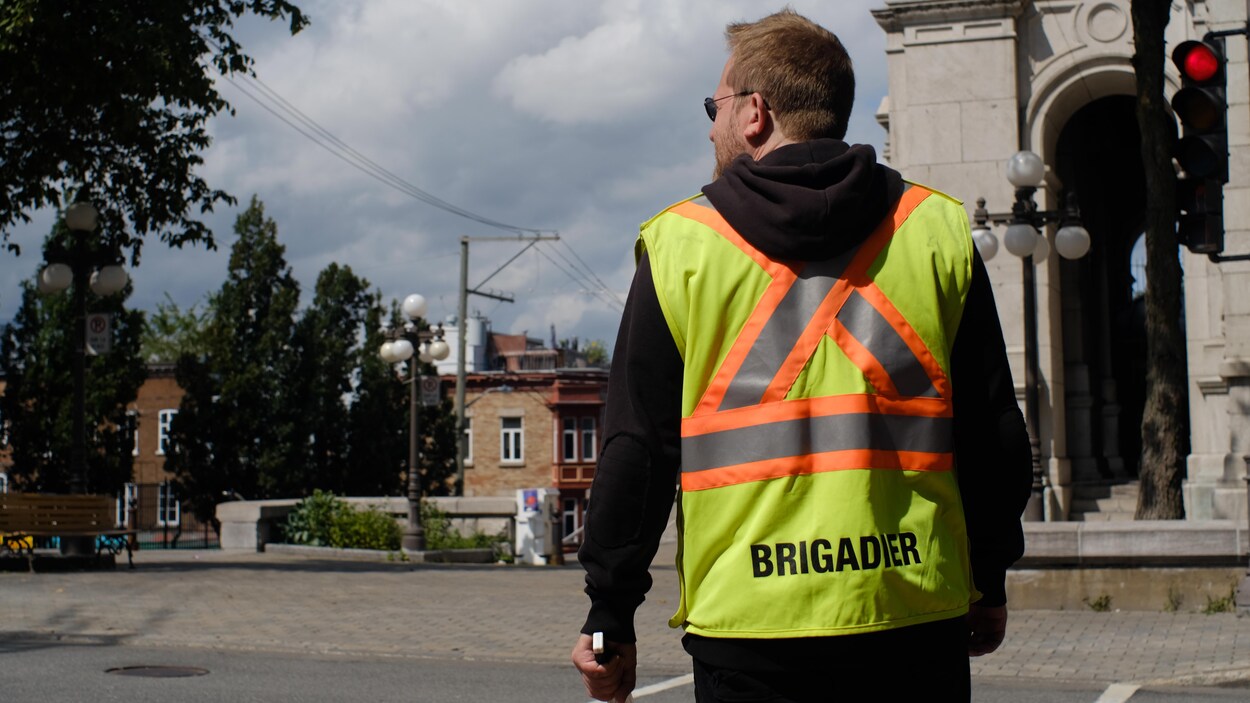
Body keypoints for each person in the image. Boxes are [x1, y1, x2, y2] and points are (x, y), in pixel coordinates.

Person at [571, 9, 1032, 702]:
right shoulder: (932, 228)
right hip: (910, 614)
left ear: (755, 113)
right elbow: (994, 430)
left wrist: (611, 615)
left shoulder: (681, 247)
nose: (709, 125)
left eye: (714, 106)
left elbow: (637, 451)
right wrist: (989, 578)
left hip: (751, 628)